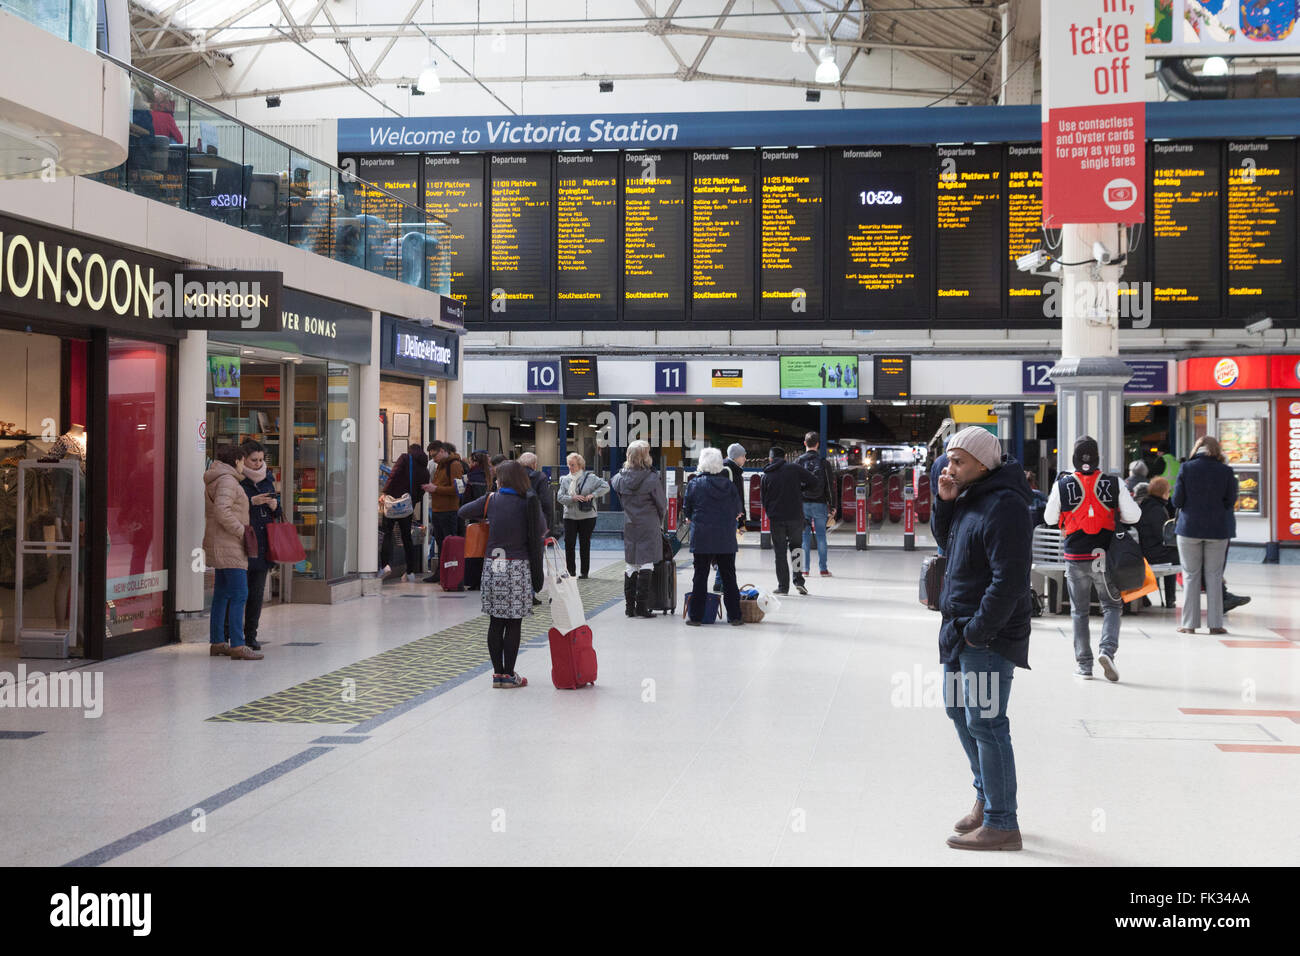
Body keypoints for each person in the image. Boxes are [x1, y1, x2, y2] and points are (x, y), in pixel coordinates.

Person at [931, 427, 1032, 851]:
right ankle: (986, 796)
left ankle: (1002, 821)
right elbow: (947, 544)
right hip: (958, 629)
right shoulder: (970, 495)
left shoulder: (1005, 505)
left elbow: (1009, 580)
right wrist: (944, 502)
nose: (949, 468)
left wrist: (977, 633)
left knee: (987, 724)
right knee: (959, 712)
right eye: (949, 459)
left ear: (983, 465)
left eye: (959, 461)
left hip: (986, 637)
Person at [1043, 436, 1140, 682]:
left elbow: (1050, 519)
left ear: (1074, 458)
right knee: (1112, 605)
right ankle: (1107, 651)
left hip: (1075, 556)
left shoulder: (1062, 484)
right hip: (1103, 555)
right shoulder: (1113, 483)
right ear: (1098, 457)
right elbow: (1134, 516)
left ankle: (1084, 666)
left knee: (1079, 611)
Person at [459, 460, 546, 688]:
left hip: (494, 564)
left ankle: (497, 675)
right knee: (513, 622)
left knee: (496, 622)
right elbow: (541, 530)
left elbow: (462, 511)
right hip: (518, 565)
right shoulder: (528, 503)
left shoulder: (491, 499)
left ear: (501, 480)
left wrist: (489, 518)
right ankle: (510, 675)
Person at [1173, 435, 1237, 635]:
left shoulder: (1187, 468)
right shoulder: (1226, 471)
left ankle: (1189, 625)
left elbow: (1177, 501)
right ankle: (1215, 624)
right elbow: (1230, 501)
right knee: (1214, 576)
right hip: (1217, 530)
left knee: (1191, 575)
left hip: (1189, 528)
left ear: (1197, 448)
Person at [204, 444, 261, 660]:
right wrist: (241, 532)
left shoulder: (218, 477)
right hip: (229, 545)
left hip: (220, 543)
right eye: (242, 461)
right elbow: (222, 510)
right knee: (239, 594)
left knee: (222, 594)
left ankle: (218, 641)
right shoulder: (228, 480)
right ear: (236, 460)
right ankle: (238, 644)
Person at [682, 448, 745, 626]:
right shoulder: (729, 485)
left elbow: (687, 510)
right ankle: (735, 616)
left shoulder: (694, 484)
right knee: (728, 576)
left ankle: (695, 617)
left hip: (702, 537)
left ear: (702, 463)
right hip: (725, 537)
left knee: (700, 576)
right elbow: (738, 510)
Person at [610, 440, 666, 618]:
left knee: (631, 563)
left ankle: (629, 608)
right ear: (645, 456)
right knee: (647, 562)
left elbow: (620, 497)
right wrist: (660, 520)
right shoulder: (652, 478)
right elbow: (661, 505)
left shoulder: (619, 479)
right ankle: (642, 607)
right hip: (648, 524)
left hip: (630, 523)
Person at [235, 439, 280, 652]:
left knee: (256, 593)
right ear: (243, 459)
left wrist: (274, 505)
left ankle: (251, 634)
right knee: (238, 592)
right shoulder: (236, 480)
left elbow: (278, 514)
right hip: (243, 542)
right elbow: (233, 511)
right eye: (254, 460)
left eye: (261, 460)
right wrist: (252, 503)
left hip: (263, 544)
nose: (258, 464)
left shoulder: (268, 479)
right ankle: (231, 634)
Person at [760, 446, 816, 595]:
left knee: (780, 553)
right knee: (796, 549)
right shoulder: (794, 468)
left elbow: (763, 500)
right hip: (795, 517)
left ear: (770, 459)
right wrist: (800, 489)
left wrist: (771, 512)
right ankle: (799, 581)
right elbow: (814, 481)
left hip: (776, 519)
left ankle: (783, 587)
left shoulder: (766, 475)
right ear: (785, 457)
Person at [380, 443, 430, 583]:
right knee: (407, 537)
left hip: (392, 503)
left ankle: (385, 566)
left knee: (387, 534)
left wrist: (384, 493)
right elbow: (421, 492)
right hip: (407, 507)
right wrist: (411, 502)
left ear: (410, 451)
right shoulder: (425, 471)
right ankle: (410, 572)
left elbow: (393, 474)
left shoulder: (405, 458)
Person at [557, 452, 609, 579]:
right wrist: (572, 498)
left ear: (580, 465)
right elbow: (560, 497)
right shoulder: (565, 479)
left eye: (573, 465)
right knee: (569, 543)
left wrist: (593, 495)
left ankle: (584, 572)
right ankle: (571, 571)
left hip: (588, 516)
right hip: (569, 516)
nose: (570, 467)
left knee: (585, 543)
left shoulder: (590, 478)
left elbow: (606, 486)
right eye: (569, 465)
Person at [421, 441, 465, 583]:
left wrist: (436, 489)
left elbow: (457, 489)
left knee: (449, 544)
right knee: (440, 543)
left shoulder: (454, 465)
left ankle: (450, 573)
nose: (433, 459)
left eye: (434, 455)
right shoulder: (440, 465)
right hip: (438, 510)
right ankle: (441, 573)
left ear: (442, 451)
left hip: (449, 511)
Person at [796, 431, 837, 578]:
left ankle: (805, 570)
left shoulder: (798, 462)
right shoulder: (824, 463)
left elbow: (794, 485)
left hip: (803, 505)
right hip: (819, 504)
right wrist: (833, 505)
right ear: (818, 444)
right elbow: (830, 487)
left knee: (804, 537)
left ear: (805, 443)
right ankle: (823, 569)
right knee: (821, 537)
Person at [1135, 478, 1179, 609]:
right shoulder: (1157, 509)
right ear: (1163, 492)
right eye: (1167, 491)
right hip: (1152, 553)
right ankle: (1170, 598)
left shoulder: (1147, 505)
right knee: (1176, 556)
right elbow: (1162, 536)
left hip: (1145, 550)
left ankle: (1148, 597)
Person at [711, 443, 748, 592]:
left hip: (726, 516)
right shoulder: (728, 470)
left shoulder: (731, 469)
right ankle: (723, 582)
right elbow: (734, 495)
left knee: (726, 550)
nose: (745, 458)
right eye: (744, 455)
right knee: (727, 551)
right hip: (726, 517)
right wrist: (739, 519)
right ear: (737, 456)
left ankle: (720, 582)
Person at [518, 452, 557, 537]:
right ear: (534, 464)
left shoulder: (513, 475)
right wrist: (547, 523)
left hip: (516, 516)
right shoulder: (540, 476)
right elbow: (545, 501)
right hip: (534, 517)